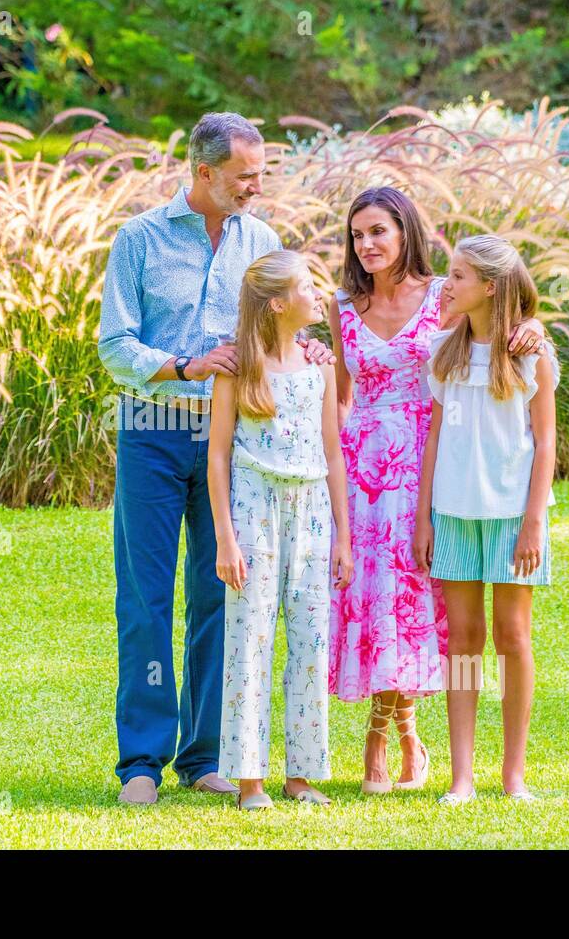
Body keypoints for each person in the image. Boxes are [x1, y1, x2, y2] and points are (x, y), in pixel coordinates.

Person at [98, 113, 333, 805]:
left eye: (261, 175)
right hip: (152, 431)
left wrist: (307, 354)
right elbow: (116, 345)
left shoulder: (261, 241)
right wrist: (184, 365)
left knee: (217, 596)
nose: (256, 188)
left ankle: (203, 756)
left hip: (238, 445)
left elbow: (279, 327)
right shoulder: (138, 240)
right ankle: (141, 761)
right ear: (204, 173)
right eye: (244, 177)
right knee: (144, 597)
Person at [327, 187, 547, 794]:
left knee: (420, 608)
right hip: (371, 468)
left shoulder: (441, 298)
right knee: (373, 601)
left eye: (378, 232)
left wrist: (532, 325)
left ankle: (413, 737)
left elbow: (497, 316)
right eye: (357, 234)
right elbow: (339, 394)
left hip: (435, 462)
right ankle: (390, 731)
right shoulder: (342, 304)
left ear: (405, 233)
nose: (366, 244)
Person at [412, 234, 558, 805]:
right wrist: (424, 518)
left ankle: (513, 775)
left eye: (458, 277)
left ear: (489, 288)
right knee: (464, 642)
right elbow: (432, 441)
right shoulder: (443, 352)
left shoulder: (531, 354)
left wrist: (533, 523)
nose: (446, 285)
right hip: (453, 514)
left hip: (511, 517)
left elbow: (545, 444)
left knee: (512, 636)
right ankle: (462, 776)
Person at [206, 251, 354, 810]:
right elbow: (218, 456)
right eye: (307, 287)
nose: (319, 296)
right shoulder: (239, 367)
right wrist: (225, 536)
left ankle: (303, 773)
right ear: (277, 303)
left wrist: (342, 536)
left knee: (311, 639)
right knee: (250, 639)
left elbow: (333, 453)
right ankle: (249, 779)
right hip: (253, 510)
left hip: (312, 508)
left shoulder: (321, 365)